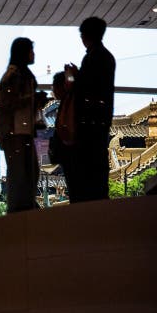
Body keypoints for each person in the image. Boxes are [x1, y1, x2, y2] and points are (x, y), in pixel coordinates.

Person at [65, 17, 116, 202]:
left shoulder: (93, 57)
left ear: (86, 36)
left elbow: (84, 89)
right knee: (99, 174)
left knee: (87, 175)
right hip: (101, 122)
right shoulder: (107, 57)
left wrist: (74, 77)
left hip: (88, 125)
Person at [0, 37, 45, 213]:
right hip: (15, 133)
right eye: (31, 50)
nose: (33, 54)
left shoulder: (24, 76)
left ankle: (25, 209)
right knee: (20, 175)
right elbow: (9, 103)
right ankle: (19, 211)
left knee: (30, 174)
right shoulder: (13, 76)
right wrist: (34, 99)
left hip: (24, 131)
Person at [48, 72, 77, 195]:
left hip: (73, 158)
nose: (52, 90)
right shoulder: (67, 104)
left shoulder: (69, 105)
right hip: (70, 159)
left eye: (54, 86)